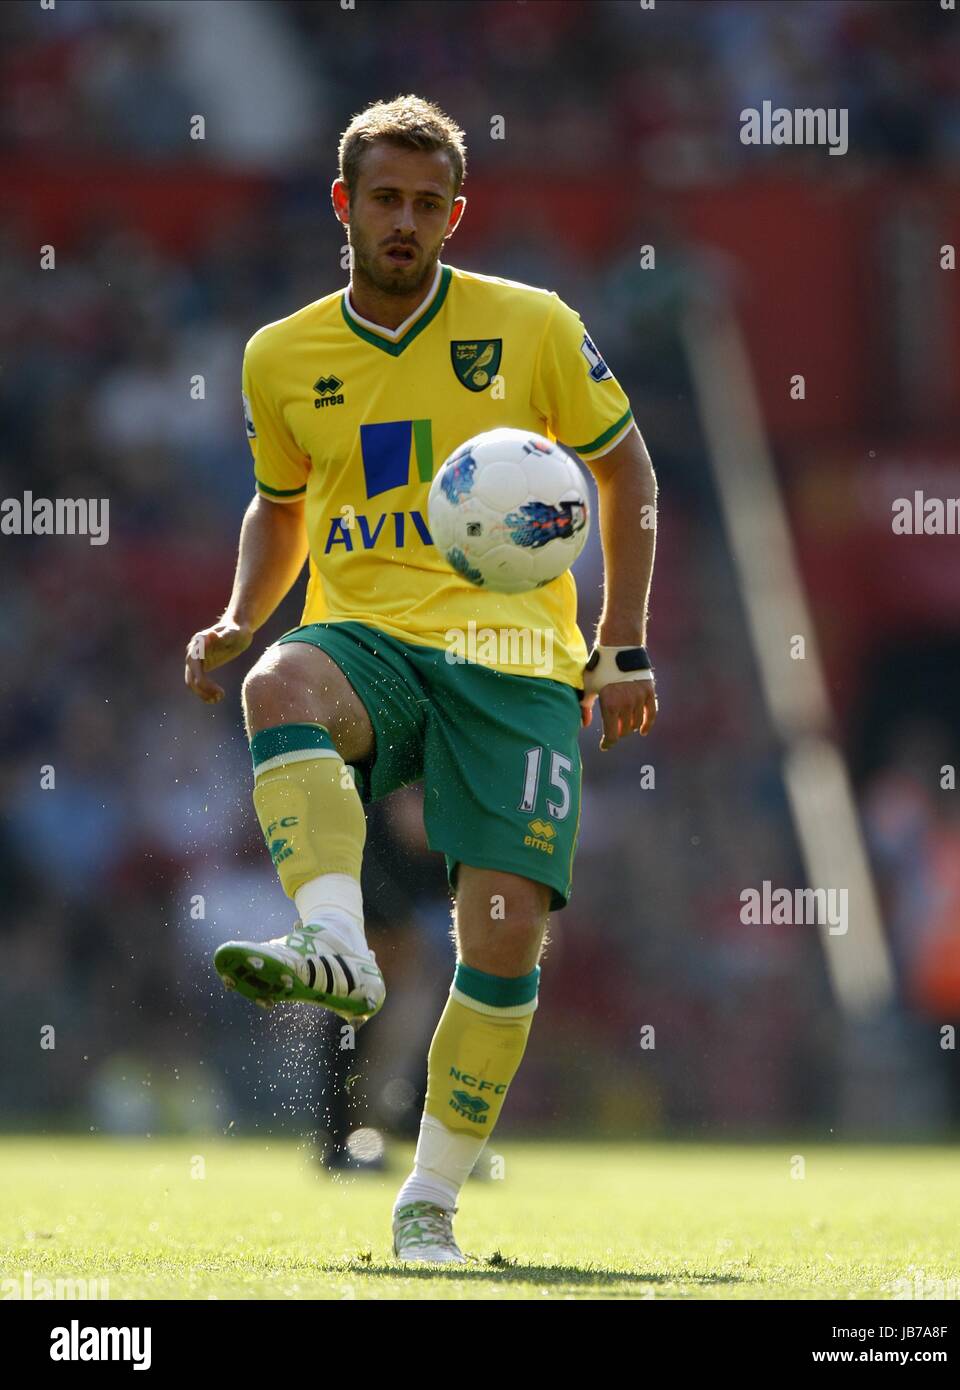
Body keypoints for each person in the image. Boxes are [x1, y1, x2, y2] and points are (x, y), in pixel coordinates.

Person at [184, 95, 657, 1264]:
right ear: (345, 206)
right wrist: (245, 615)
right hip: (371, 641)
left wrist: (625, 643)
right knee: (277, 686)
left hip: (515, 662)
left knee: (500, 940)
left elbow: (627, 474)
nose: (406, 221)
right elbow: (280, 503)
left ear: (456, 214)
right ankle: (333, 942)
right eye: (385, 199)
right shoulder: (281, 355)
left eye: (428, 204)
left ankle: (428, 1199)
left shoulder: (533, 324)